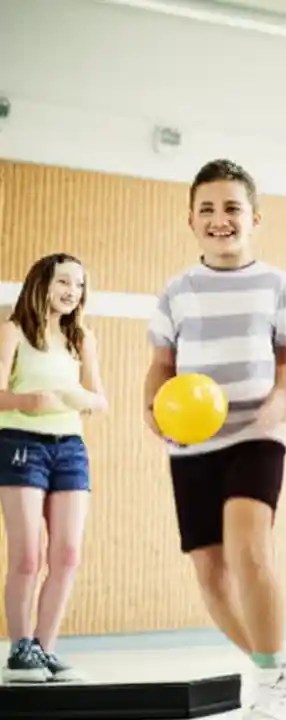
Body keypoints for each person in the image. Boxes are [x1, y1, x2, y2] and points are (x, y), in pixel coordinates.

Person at [144, 159, 286, 719]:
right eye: (207, 209)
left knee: (248, 549)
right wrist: (153, 407)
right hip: (190, 444)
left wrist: (278, 407)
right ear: (190, 220)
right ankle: (274, 666)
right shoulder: (177, 291)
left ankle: (271, 679)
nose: (220, 219)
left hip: (257, 434)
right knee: (210, 572)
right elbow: (160, 366)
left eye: (233, 207)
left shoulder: (276, 283)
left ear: (255, 217)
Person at [0, 253, 106, 684]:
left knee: (67, 554)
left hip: (70, 449)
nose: (71, 291)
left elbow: (100, 400)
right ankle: (20, 648)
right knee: (28, 556)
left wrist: (80, 398)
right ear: (41, 282)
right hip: (21, 445)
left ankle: (44, 649)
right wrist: (28, 401)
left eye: (79, 285)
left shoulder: (81, 338)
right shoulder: (13, 331)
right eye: (64, 281)